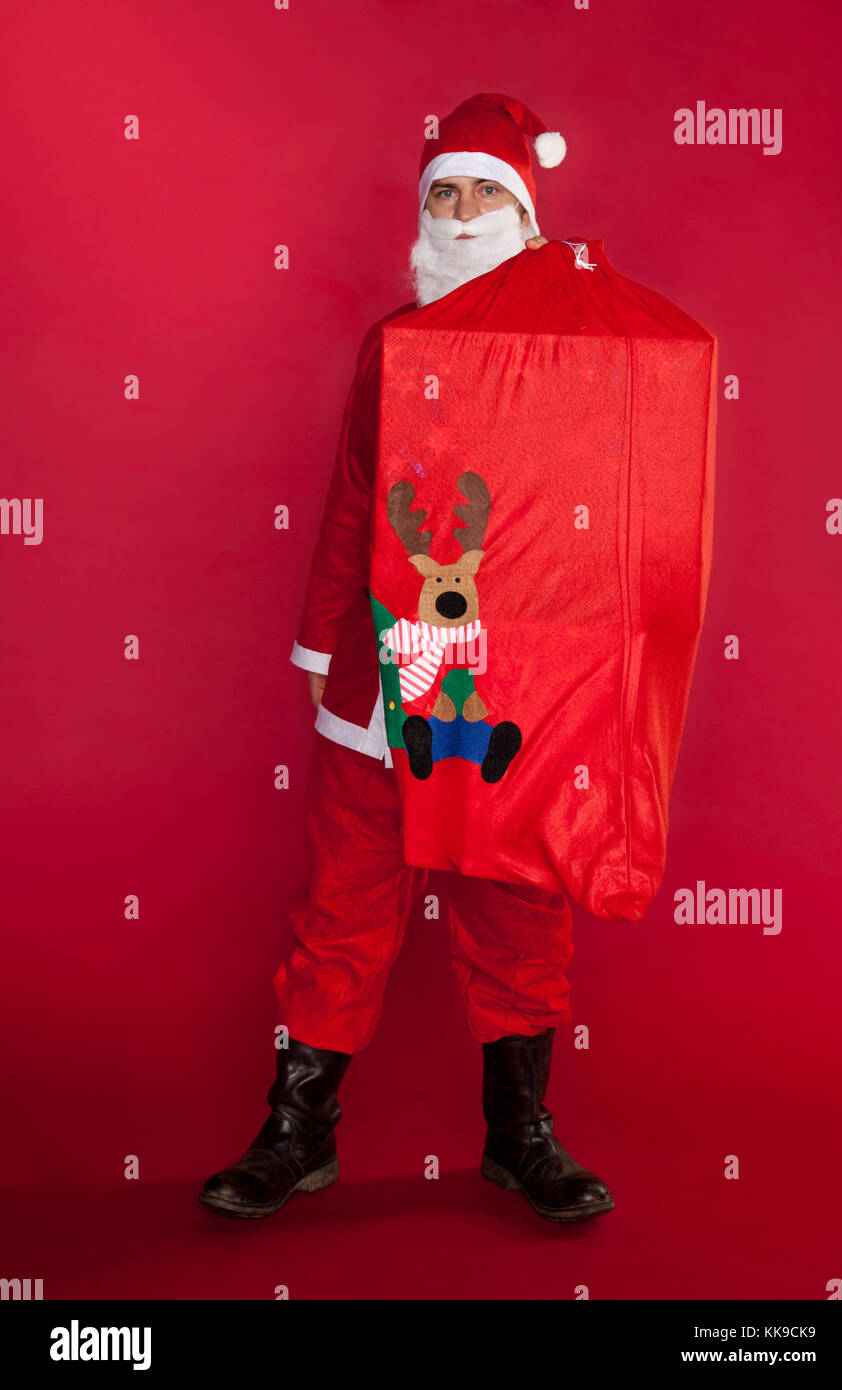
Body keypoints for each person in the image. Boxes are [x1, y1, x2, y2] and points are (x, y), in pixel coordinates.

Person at [199, 94, 614, 1225]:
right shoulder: (391, 344)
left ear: (525, 215)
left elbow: (604, 521)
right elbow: (351, 501)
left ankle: (518, 1136)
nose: (464, 213)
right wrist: (319, 641)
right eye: (446, 194)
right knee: (344, 906)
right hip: (380, 679)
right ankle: (297, 1134)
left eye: (487, 193)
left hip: (510, 684)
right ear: (423, 215)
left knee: (517, 906)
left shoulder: (581, 348)